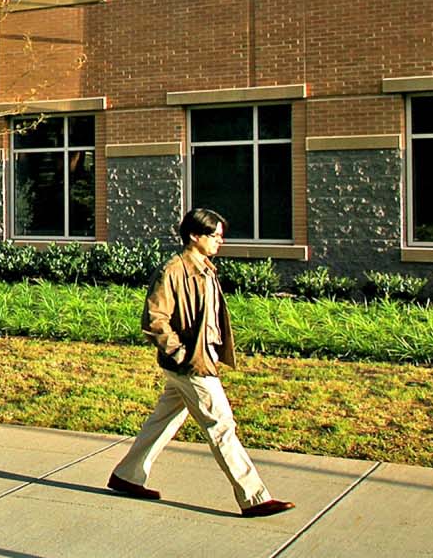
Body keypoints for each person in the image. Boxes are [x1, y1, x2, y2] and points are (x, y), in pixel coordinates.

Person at [108, 207, 294, 518]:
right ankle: (254, 497)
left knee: (164, 420)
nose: (220, 241)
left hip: (201, 358)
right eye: (215, 235)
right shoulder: (173, 271)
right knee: (221, 425)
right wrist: (181, 354)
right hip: (190, 364)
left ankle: (127, 476)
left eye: (221, 235)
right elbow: (155, 320)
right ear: (195, 236)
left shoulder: (205, 268)